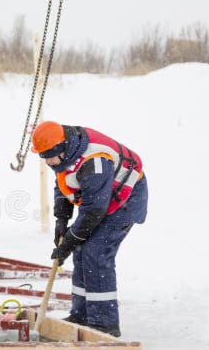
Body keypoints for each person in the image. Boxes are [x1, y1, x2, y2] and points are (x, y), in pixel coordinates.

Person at [31, 121, 148, 337]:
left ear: (62, 149)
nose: (46, 161)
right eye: (42, 156)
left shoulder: (95, 162)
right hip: (102, 199)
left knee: (96, 252)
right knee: (81, 250)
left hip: (126, 200)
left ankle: (105, 324)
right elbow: (64, 184)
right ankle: (82, 315)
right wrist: (62, 221)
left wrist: (69, 241)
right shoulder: (66, 154)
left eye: (48, 156)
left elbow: (93, 211)